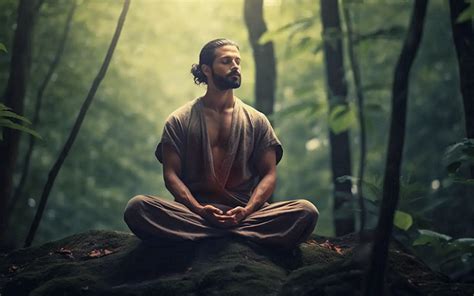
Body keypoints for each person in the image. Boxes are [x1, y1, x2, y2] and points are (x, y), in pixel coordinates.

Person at [124, 38, 318, 249]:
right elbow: (171, 175)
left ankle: (208, 237)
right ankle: (238, 237)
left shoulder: (256, 120)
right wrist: (199, 210)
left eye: (237, 61)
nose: (235, 66)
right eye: (226, 61)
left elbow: (269, 174)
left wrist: (247, 210)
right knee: (137, 208)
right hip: (194, 214)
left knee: (306, 211)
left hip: (246, 214)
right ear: (206, 69)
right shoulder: (179, 119)